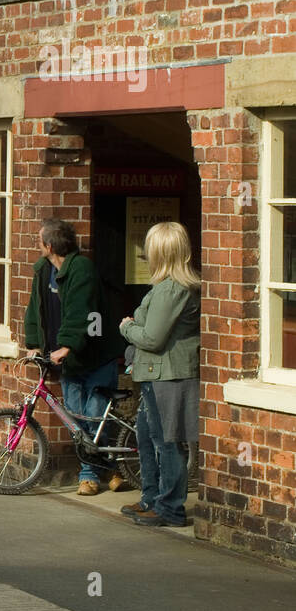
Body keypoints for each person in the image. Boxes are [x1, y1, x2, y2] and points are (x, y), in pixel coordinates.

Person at [23, 218, 126, 495]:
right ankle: (111, 467)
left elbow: (81, 311)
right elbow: (35, 309)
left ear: (50, 244)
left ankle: (90, 474)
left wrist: (66, 346)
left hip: (95, 355)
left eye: (40, 239)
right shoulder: (44, 271)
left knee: (94, 418)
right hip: (71, 361)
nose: (37, 243)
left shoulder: (82, 269)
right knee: (77, 422)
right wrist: (33, 343)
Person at [119, 221, 201, 527]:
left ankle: (170, 508)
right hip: (156, 374)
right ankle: (151, 498)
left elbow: (153, 338)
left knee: (167, 442)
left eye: (150, 249)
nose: (146, 255)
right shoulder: (169, 286)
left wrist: (127, 327)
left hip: (169, 377)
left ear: (162, 252)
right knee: (147, 436)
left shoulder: (170, 290)